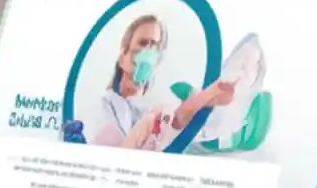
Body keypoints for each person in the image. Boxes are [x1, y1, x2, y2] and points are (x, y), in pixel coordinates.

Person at [90, 14, 235, 150]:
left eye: (155, 46)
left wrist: (203, 99)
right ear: (123, 56)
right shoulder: (104, 105)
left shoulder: (151, 105)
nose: (148, 51)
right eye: (142, 43)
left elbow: (174, 125)